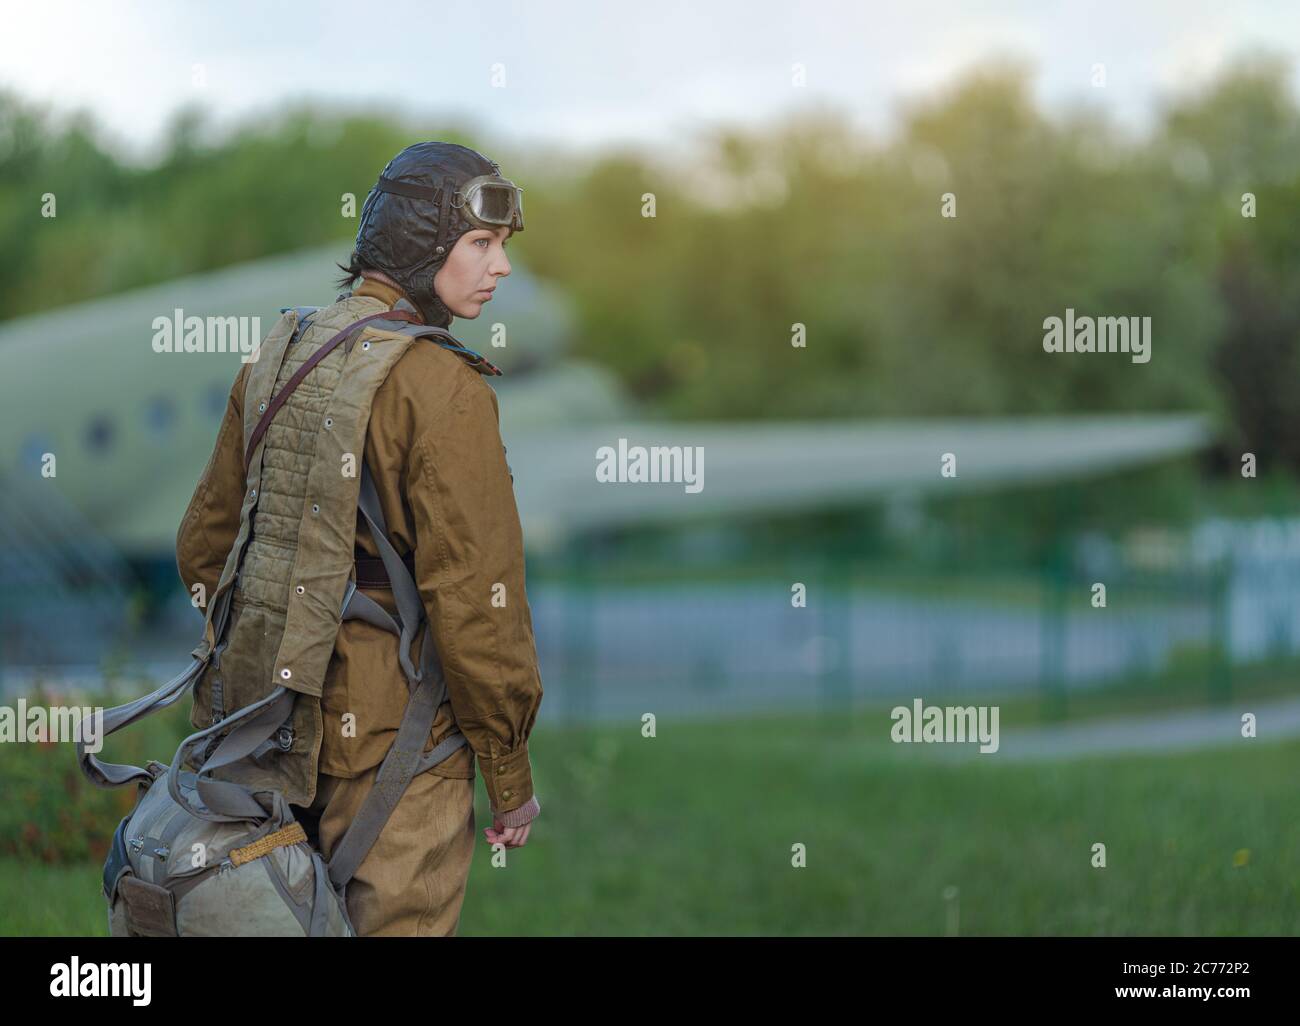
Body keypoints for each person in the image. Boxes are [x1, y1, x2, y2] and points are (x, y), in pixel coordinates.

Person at [175, 141, 543, 936]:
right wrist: (508, 772)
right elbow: (479, 605)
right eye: (481, 243)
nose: (501, 266)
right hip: (395, 751)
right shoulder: (443, 385)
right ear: (420, 243)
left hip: (259, 733)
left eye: (502, 247)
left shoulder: (278, 353)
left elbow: (205, 549)